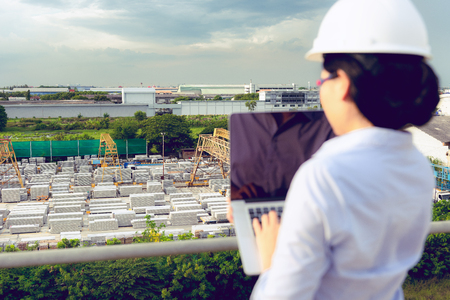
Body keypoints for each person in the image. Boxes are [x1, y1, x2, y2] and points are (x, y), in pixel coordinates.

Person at [249, 0, 440, 299]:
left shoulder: (323, 174)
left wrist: (271, 262)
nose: (320, 87)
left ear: (344, 84)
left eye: (323, 78)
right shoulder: (417, 166)